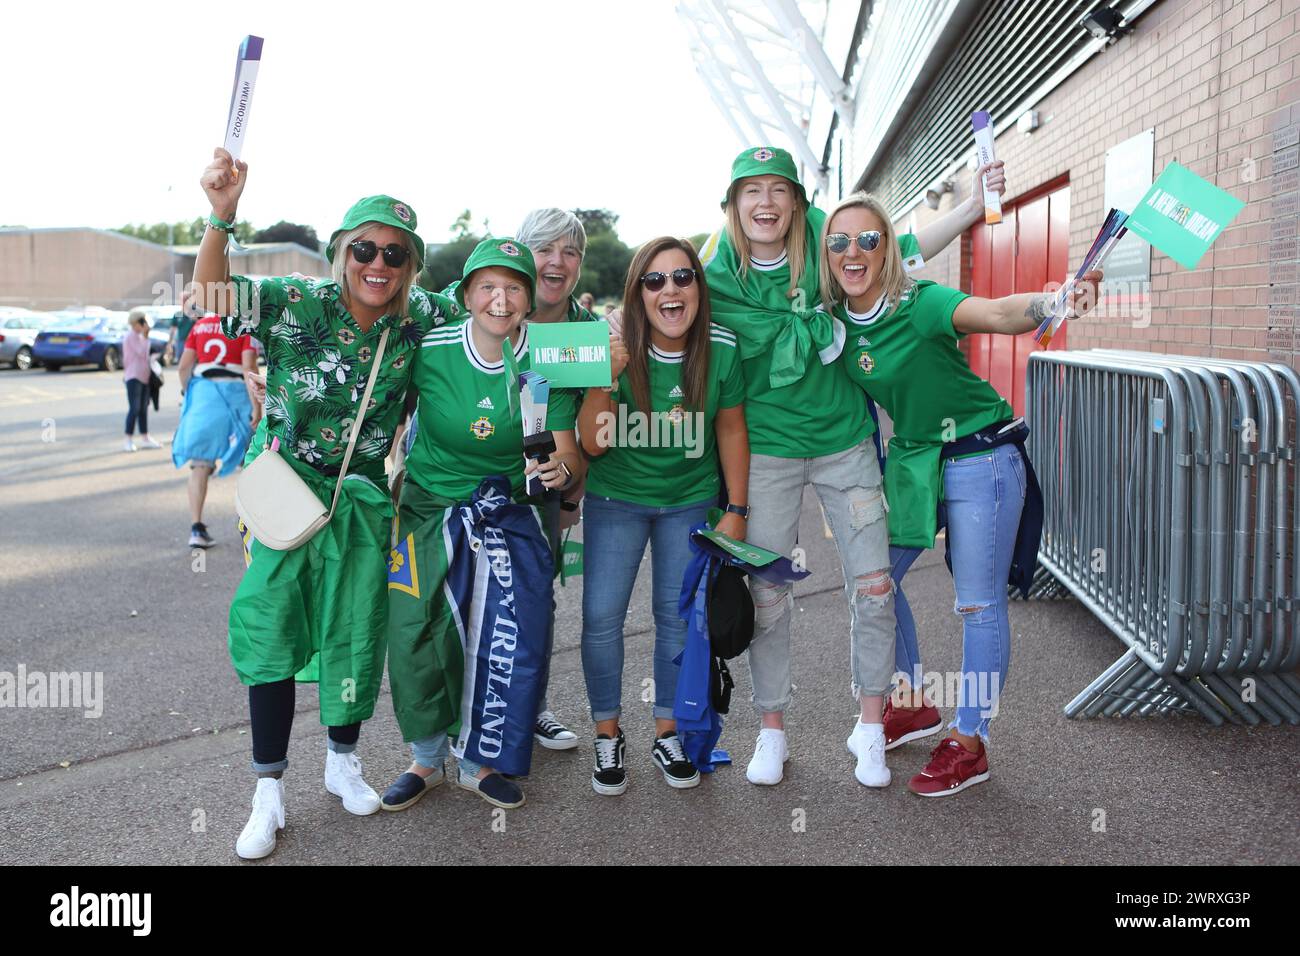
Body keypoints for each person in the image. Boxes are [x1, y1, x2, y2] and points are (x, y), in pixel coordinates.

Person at [698, 145, 1006, 788]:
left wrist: (974, 207)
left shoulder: (826, 237)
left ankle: (872, 727)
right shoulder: (715, 269)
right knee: (769, 594)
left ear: (797, 202)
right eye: (750, 191)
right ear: (732, 206)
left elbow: (903, 249)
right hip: (769, 453)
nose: (765, 203)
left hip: (845, 446)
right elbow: (665, 319)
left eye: (778, 189)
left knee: (872, 586)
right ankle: (771, 730)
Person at [194, 146, 461, 859]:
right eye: (365, 249)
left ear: (410, 265)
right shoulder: (295, 302)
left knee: (354, 630)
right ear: (343, 252)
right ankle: (268, 792)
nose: (379, 264)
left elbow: (501, 314)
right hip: (285, 496)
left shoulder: (421, 317)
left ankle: (342, 761)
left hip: (364, 501)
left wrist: (600, 343)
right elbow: (211, 295)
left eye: (396, 255)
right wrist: (222, 215)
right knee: (272, 628)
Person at [821, 191, 1101, 795]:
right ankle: (912, 699)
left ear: (887, 249)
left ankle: (971, 740)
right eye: (838, 240)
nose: (852, 251)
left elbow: (999, 313)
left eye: (869, 239)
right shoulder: (833, 322)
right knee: (874, 580)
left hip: (981, 454)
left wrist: (1054, 302)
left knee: (977, 603)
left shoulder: (919, 304)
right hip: (917, 460)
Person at [383, 237, 583, 812]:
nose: (501, 299)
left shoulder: (546, 357)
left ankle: (478, 760)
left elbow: (568, 459)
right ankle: (426, 759)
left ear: (530, 296)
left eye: (514, 287)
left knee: (503, 634)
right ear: (466, 294)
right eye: (488, 287)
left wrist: (557, 468)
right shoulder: (431, 347)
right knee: (415, 629)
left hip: (509, 511)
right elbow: (384, 416)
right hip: (429, 507)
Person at [576, 237, 748, 795]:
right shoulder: (611, 345)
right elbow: (591, 446)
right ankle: (607, 733)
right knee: (603, 616)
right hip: (615, 499)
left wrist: (737, 509)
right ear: (637, 292)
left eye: (682, 277)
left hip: (688, 502)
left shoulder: (719, 346)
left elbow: (730, 427)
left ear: (698, 286)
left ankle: (666, 730)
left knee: (675, 617)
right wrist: (607, 377)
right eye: (654, 281)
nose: (669, 289)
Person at [171, 308, 260, 548]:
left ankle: (196, 528)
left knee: (200, 465)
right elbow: (248, 367)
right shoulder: (244, 327)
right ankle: (254, 527)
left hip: (205, 396)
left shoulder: (198, 326)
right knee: (249, 464)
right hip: (236, 396)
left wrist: (187, 392)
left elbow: (183, 367)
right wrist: (257, 407)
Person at [122, 311, 161, 451]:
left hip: (144, 376)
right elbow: (141, 352)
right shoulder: (131, 337)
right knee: (134, 408)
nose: (145, 326)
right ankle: (128, 438)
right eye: (142, 323)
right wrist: (145, 336)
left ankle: (145, 437)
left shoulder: (140, 337)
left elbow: (146, 355)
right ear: (136, 323)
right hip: (133, 376)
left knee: (143, 408)